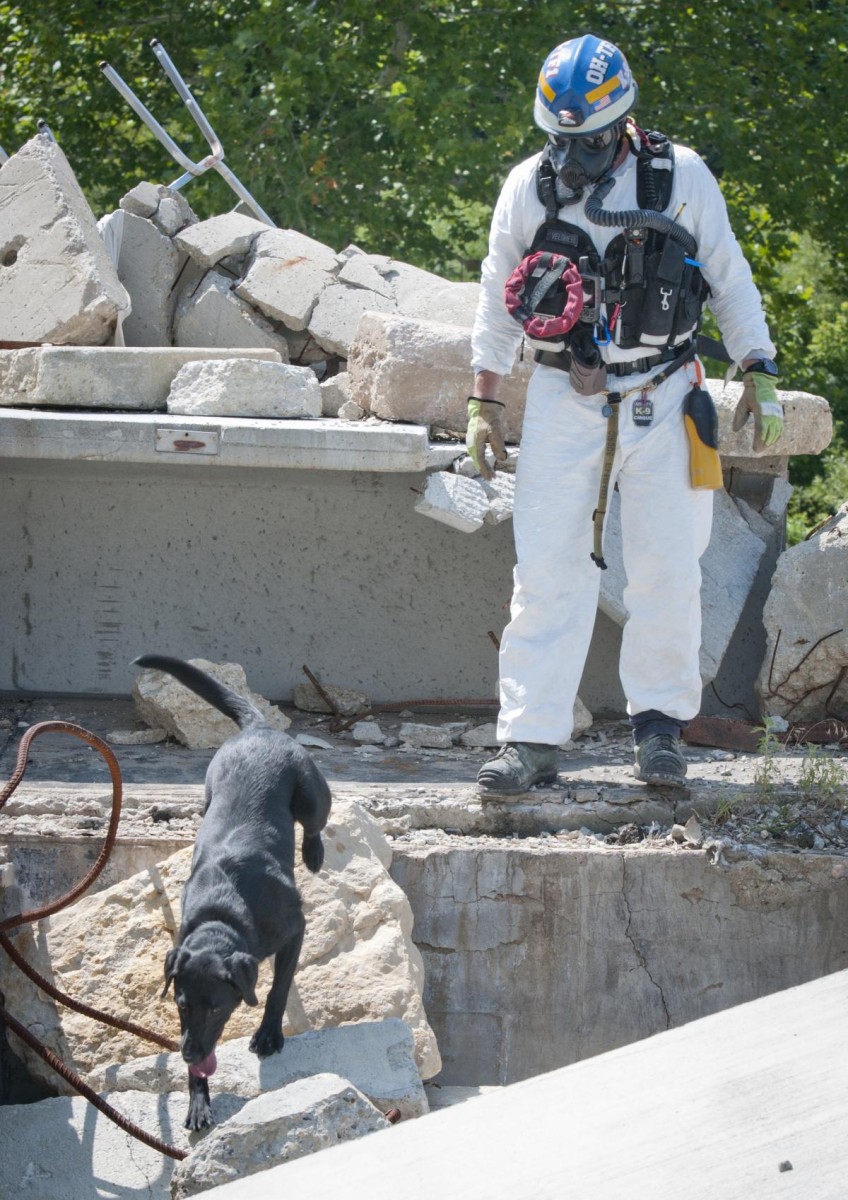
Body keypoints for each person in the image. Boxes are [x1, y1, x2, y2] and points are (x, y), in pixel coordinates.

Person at [467, 33, 782, 794]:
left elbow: (729, 274)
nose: (573, 159)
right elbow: (498, 292)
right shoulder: (528, 187)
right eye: (560, 142)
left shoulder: (681, 177)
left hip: (665, 393)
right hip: (562, 397)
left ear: (623, 124)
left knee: (668, 568)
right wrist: (482, 398)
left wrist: (759, 368)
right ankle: (530, 740)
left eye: (591, 143)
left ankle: (661, 731)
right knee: (548, 571)